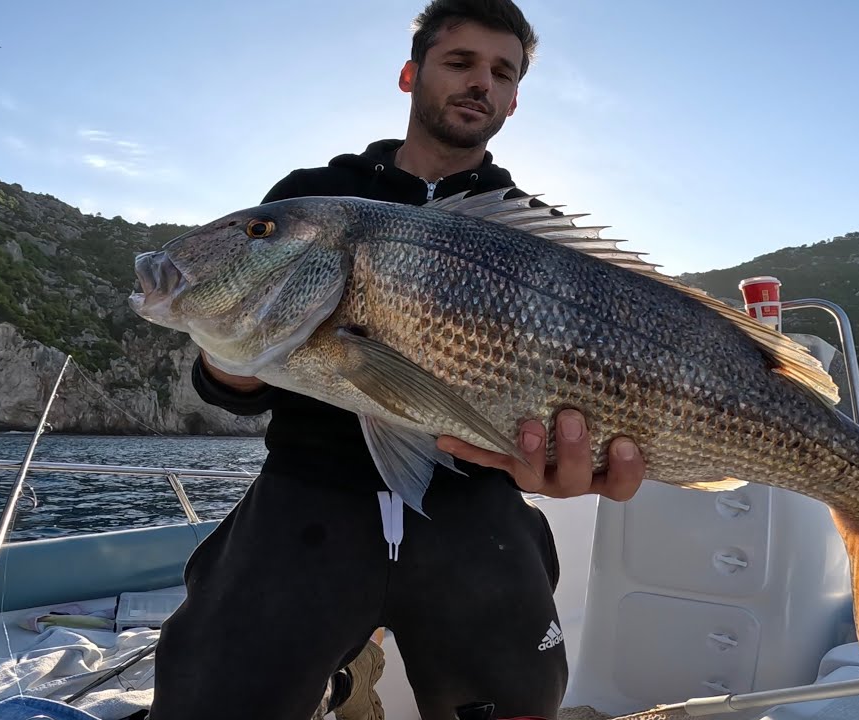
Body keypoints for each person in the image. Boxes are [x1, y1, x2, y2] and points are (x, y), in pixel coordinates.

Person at [149, 1, 647, 718]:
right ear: (412, 74)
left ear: (513, 100)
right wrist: (229, 362)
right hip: (306, 493)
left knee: (521, 705)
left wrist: (583, 466)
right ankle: (350, 680)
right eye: (460, 62)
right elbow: (238, 385)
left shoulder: (545, 241)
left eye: (501, 72)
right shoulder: (307, 201)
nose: (480, 82)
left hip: (475, 506)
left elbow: (597, 383)